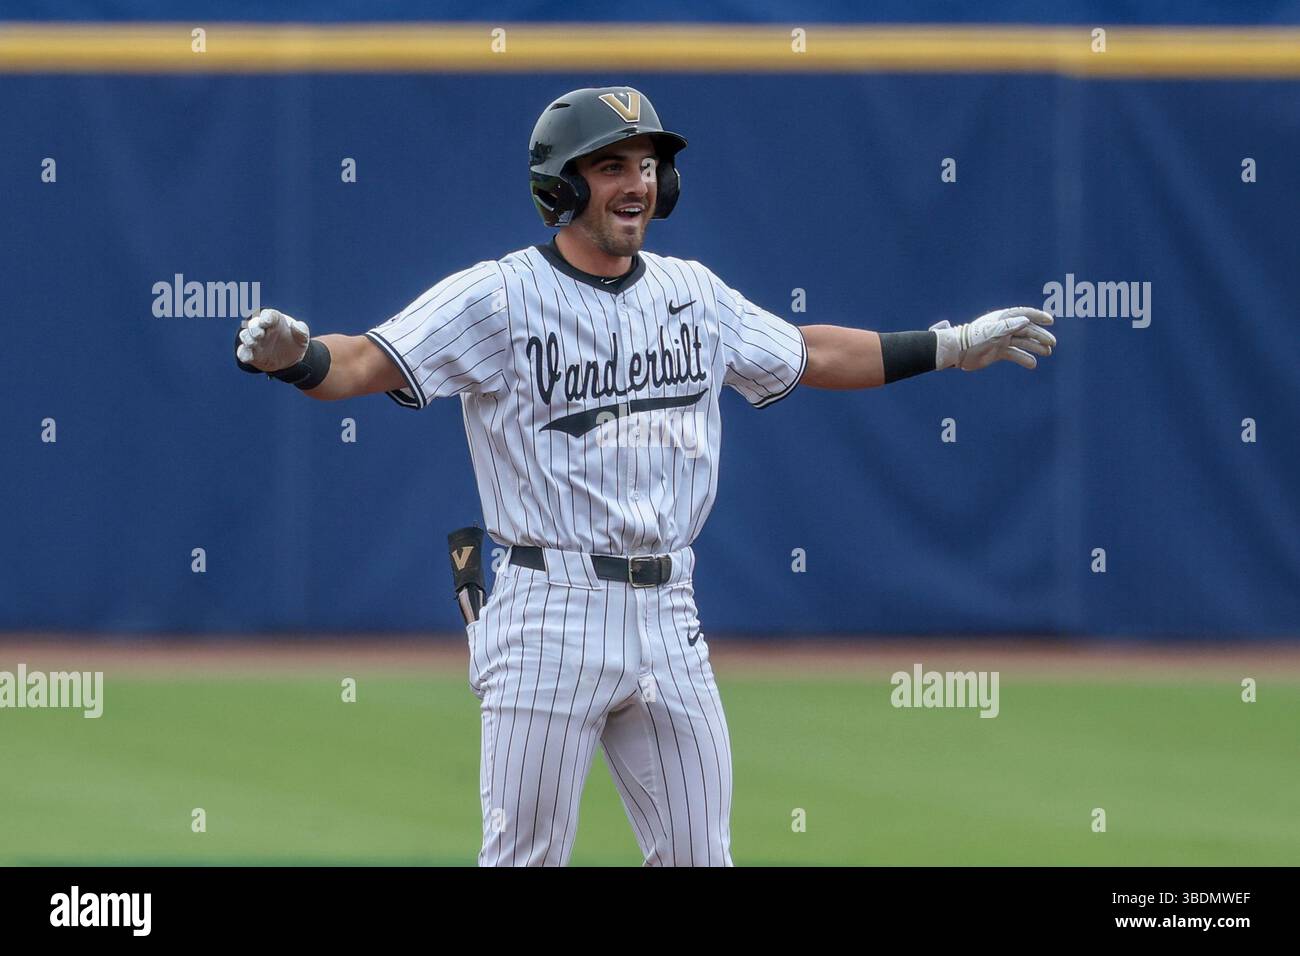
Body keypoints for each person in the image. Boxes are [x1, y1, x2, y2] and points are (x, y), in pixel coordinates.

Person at [234, 86, 1056, 867]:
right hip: (546, 610)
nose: (639, 183)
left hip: (670, 611)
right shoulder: (498, 297)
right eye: (613, 165)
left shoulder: (693, 294)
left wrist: (951, 346)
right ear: (561, 186)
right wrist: (295, 359)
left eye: (649, 165)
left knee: (703, 857)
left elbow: (810, 353)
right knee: (526, 859)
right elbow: (365, 363)